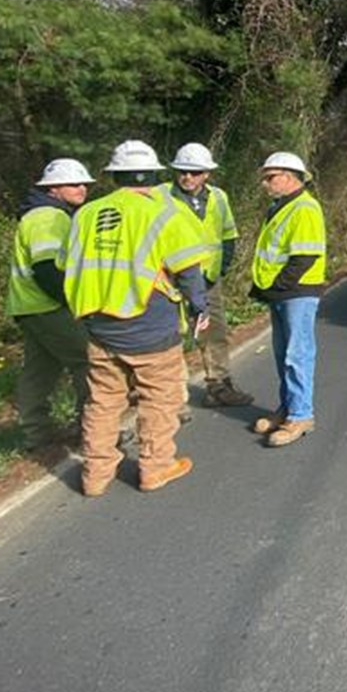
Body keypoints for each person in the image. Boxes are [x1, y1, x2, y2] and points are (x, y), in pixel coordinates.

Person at [63, 141, 210, 495]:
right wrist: (198, 306)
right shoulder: (163, 213)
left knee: (103, 400)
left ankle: (95, 475)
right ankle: (155, 468)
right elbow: (189, 268)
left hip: (98, 324)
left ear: (114, 176)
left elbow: (65, 265)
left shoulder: (85, 215)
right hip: (148, 322)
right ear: (154, 175)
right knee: (159, 398)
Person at [7, 158, 94, 451]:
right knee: (88, 361)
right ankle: (91, 432)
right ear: (54, 188)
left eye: (84, 183)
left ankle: (37, 435)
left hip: (28, 307)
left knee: (39, 370)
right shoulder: (49, 217)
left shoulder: (39, 213)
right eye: (74, 183)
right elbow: (47, 270)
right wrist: (75, 302)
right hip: (47, 306)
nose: (82, 188)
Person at [160, 143, 256, 409]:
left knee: (214, 333)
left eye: (194, 172)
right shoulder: (159, 197)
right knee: (168, 338)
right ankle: (174, 401)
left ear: (206, 174)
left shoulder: (218, 198)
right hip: (167, 282)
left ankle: (219, 387)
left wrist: (218, 271)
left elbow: (228, 237)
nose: (187, 177)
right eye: (182, 171)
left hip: (207, 281)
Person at [247, 152, 328, 448]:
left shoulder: (305, 208)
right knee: (283, 355)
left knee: (297, 355)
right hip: (283, 292)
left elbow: (304, 256)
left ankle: (301, 414)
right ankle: (288, 408)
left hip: (297, 292)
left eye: (271, 177)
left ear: (290, 176)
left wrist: (278, 286)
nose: (266, 183)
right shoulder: (281, 207)